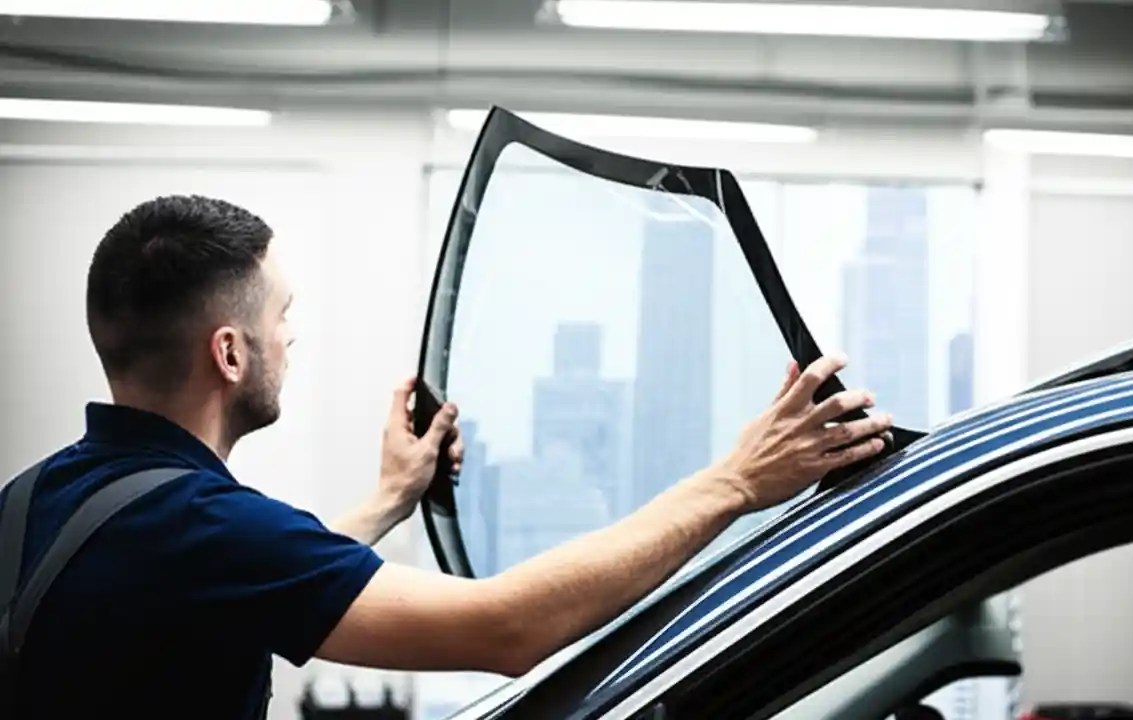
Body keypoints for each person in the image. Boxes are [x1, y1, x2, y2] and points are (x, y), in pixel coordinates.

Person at [0, 195, 893, 719]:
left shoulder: (45, 497)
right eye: (281, 316)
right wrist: (736, 482)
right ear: (230, 354)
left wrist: (392, 498)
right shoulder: (201, 531)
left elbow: (249, 575)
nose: (292, 336)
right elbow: (505, 629)